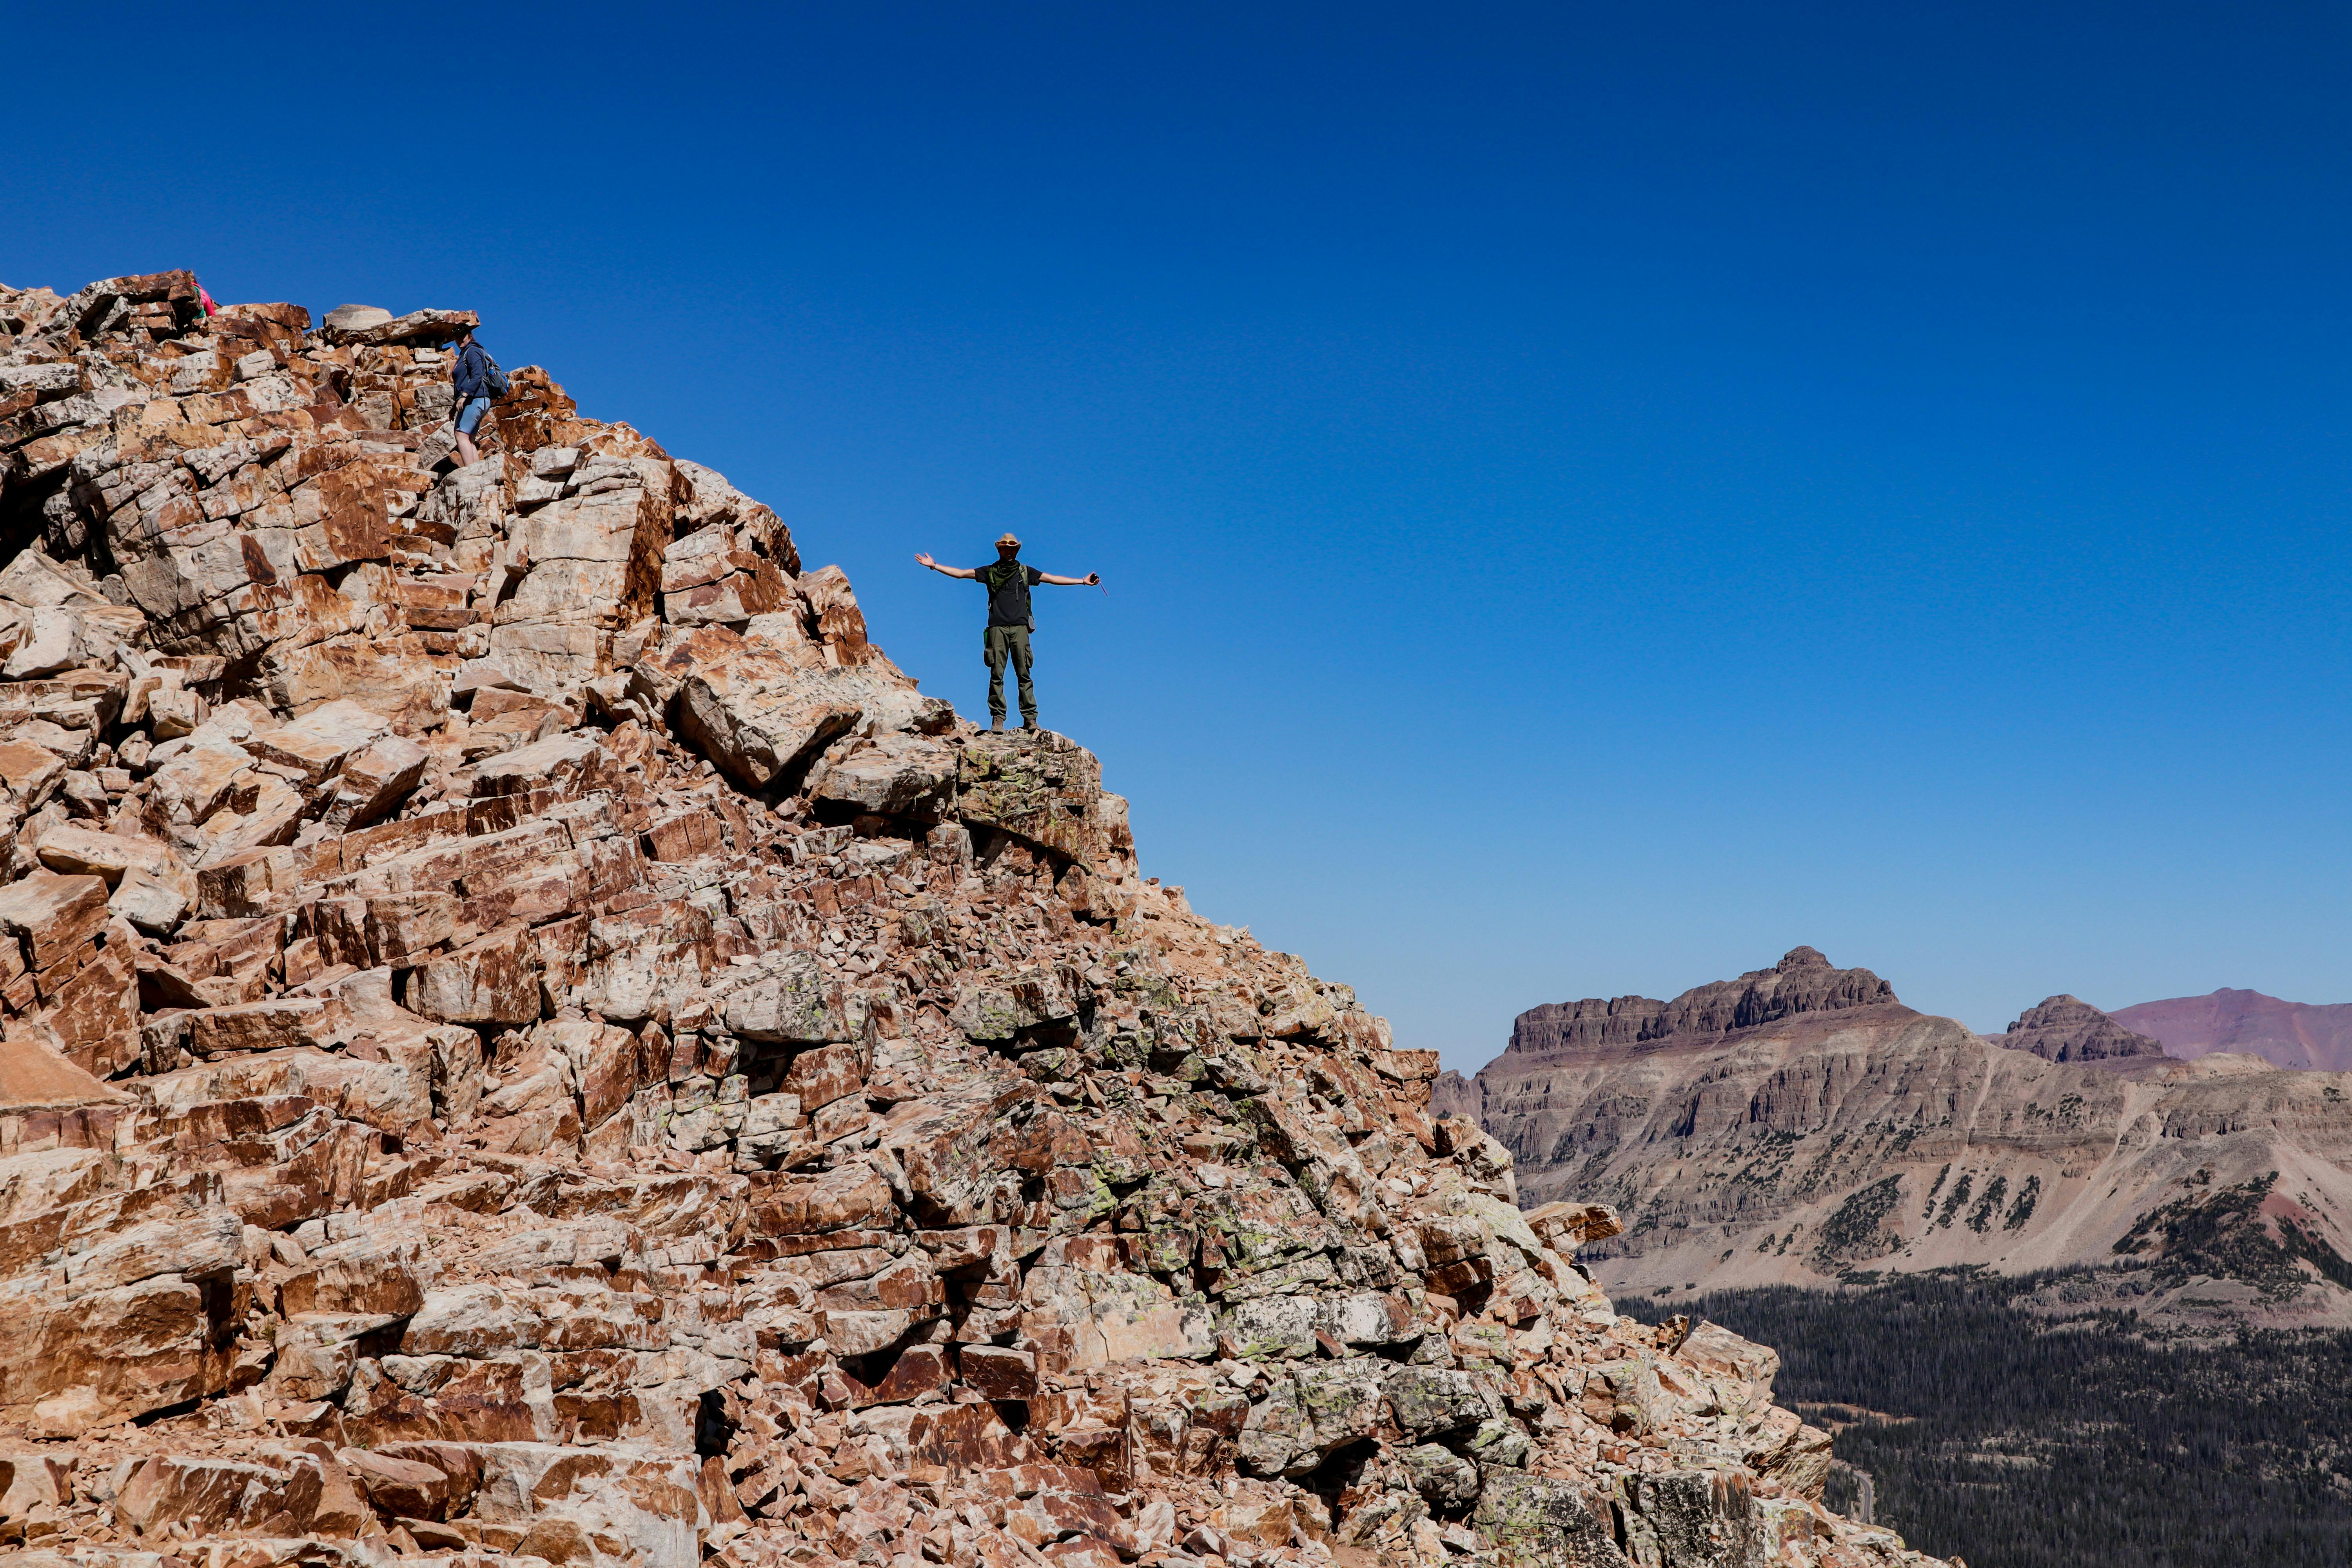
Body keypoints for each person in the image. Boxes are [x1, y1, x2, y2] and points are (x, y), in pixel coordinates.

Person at [915, 534, 1100, 731]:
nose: (1009, 551)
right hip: (997, 628)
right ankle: (998, 719)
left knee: (1024, 673)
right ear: (1000, 550)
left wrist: (1082, 581)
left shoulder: (1025, 572)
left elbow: (1053, 579)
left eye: (1012, 548)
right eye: (1005, 548)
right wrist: (935, 566)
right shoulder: (990, 571)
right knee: (997, 674)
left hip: (1020, 628)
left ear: (1016, 550)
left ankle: (1030, 719)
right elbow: (962, 574)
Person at [449, 327, 499, 466]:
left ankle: (469, 473)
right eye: (456, 337)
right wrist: (455, 406)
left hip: (476, 398)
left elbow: (477, 376)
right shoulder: (465, 353)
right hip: (472, 399)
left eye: (462, 336)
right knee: (469, 437)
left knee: (461, 435)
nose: (459, 340)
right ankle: (476, 471)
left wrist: (465, 395)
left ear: (470, 336)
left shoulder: (472, 351)